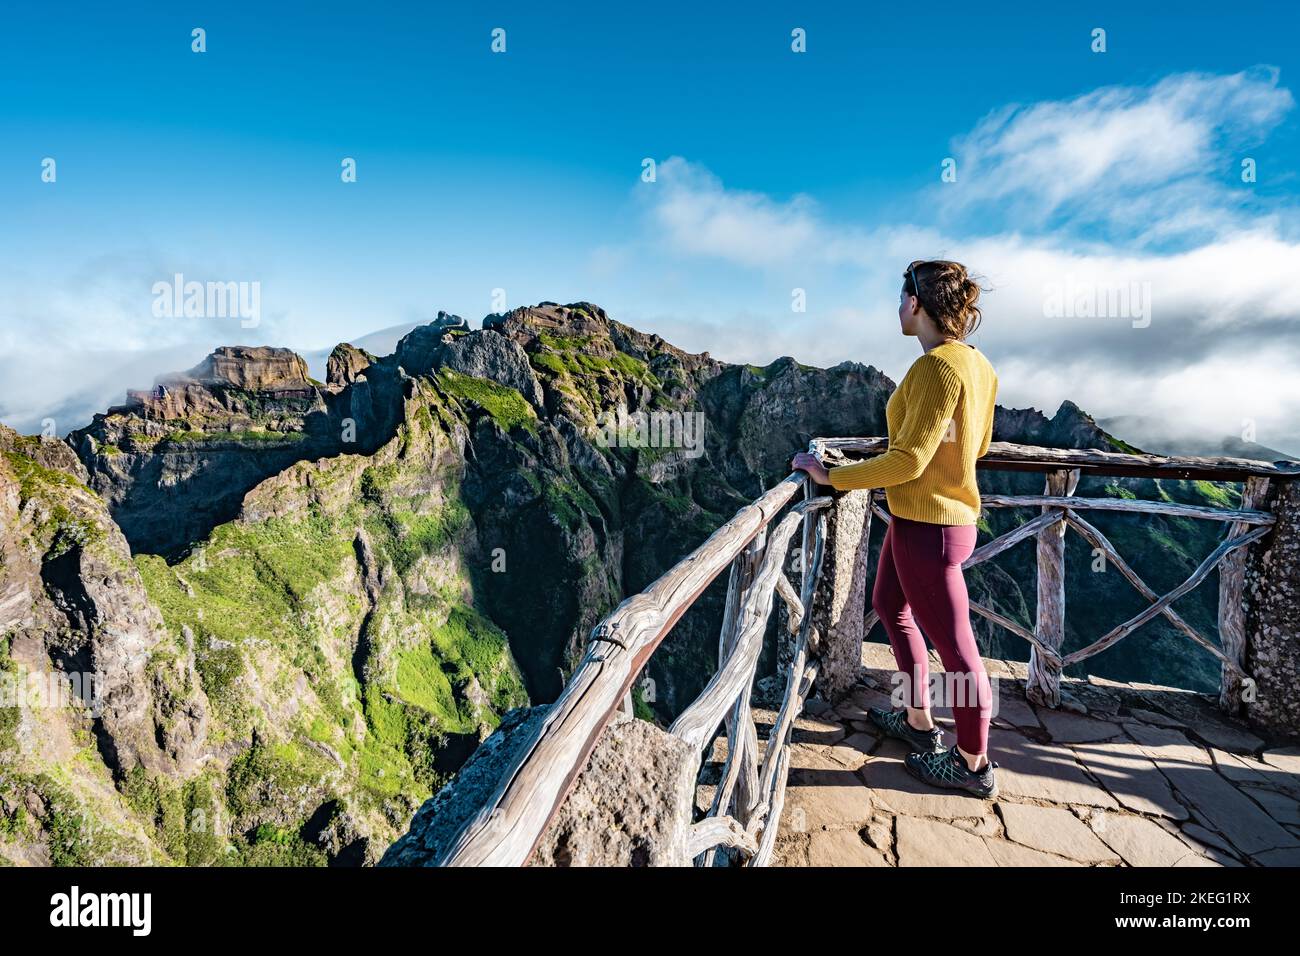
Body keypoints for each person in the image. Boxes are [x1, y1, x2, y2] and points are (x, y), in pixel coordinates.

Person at [792, 259, 1000, 798]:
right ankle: (917, 721)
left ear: (916, 303)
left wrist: (832, 476)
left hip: (928, 526)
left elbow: (908, 460)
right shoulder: (977, 365)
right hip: (936, 521)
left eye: (901, 296)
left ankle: (973, 765)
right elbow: (975, 448)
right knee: (890, 605)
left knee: (957, 649)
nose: (897, 306)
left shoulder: (936, 369)